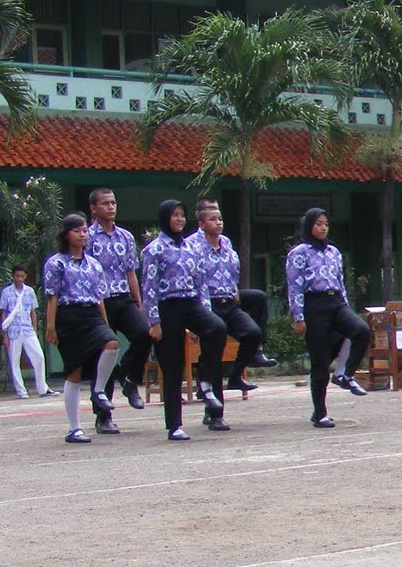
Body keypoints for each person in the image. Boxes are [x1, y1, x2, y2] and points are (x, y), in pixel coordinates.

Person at [142, 199, 229, 440]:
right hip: (167, 306)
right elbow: (148, 286)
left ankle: (205, 380)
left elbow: (201, 284)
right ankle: (175, 424)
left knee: (217, 327)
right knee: (172, 366)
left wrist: (205, 312)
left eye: (182, 215)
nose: (179, 219)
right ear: (165, 219)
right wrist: (154, 321)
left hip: (191, 303)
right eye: (174, 215)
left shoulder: (193, 249)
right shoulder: (154, 250)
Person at [286, 208, 371, 429]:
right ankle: (320, 412)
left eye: (326, 224)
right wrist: (298, 316)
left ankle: (345, 375)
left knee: (360, 330)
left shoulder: (334, 251)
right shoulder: (299, 253)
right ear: (309, 226)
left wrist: (345, 306)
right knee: (320, 361)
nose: (323, 227)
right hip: (315, 305)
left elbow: (340, 280)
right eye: (318, 224)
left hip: (336, 302)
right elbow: (294, 287)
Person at [42, 213, 119, 444]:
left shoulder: (94, 264)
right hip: (68, 316)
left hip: (91, 314)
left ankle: (98, 390)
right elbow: (52, 297)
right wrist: (51, 327)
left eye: (85, 230)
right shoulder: (56, 263)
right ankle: (74, 429)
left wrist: (104, 321)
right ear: (67, 235)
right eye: (77, 231)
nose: (83, 234)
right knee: (74, 371)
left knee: (112, 343)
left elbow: (100, 297)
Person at [188, 198, 277, 368]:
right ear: (199, 217)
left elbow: (232, 269)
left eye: (219, 216)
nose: (217, 221)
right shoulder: (191, 244)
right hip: (207, 298)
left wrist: (234, 288)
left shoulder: (225, 241)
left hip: (227, 294)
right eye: (211, 216)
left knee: (257, 297)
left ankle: (257, 350)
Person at [83, 187, 150, 412]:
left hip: (123, 298)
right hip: (100, 301)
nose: (111, 207)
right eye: (105, 203)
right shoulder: (88, 237)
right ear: (93, 208)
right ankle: (103, 415)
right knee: (103, 354)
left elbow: (131, 272)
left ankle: (129, 378)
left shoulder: (126, 236)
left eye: (113, 203)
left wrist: (138, 301)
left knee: (144, 333)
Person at [0, 264, 57, 399]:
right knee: (14, 360)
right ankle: (21, 390)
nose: (19, 279)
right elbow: (3, 314)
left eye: (22, 276)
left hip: (27, 329)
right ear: (13, 276)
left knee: (39, 356)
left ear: (25, 276)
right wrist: (4, 335)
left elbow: (33, 312)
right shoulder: (7, 292)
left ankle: (42, 388)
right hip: (13, 330)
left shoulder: (29, 291)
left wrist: (34, 330)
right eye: (17, 276)